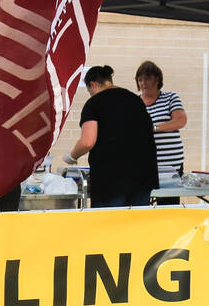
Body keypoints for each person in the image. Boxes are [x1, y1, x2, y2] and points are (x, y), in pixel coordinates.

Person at [60, 65, 158, 208]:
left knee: (110, 226)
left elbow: (87, 142)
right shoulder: (135, 100)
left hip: (111, 179)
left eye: (89, 91)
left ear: (93, 85)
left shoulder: (94, 103)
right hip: (143, 175)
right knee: (136, 226)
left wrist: (71, 156)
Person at [135, 60, 188, 205]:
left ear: (157, 79)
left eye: (147, 78)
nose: (143, 83)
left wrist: (154, 128)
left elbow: (180, 120)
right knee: (142, 203)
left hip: (171, 165)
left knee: (167, 205)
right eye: (140, 79)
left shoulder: (170, 98)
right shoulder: (135, 102)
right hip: (144, 166)